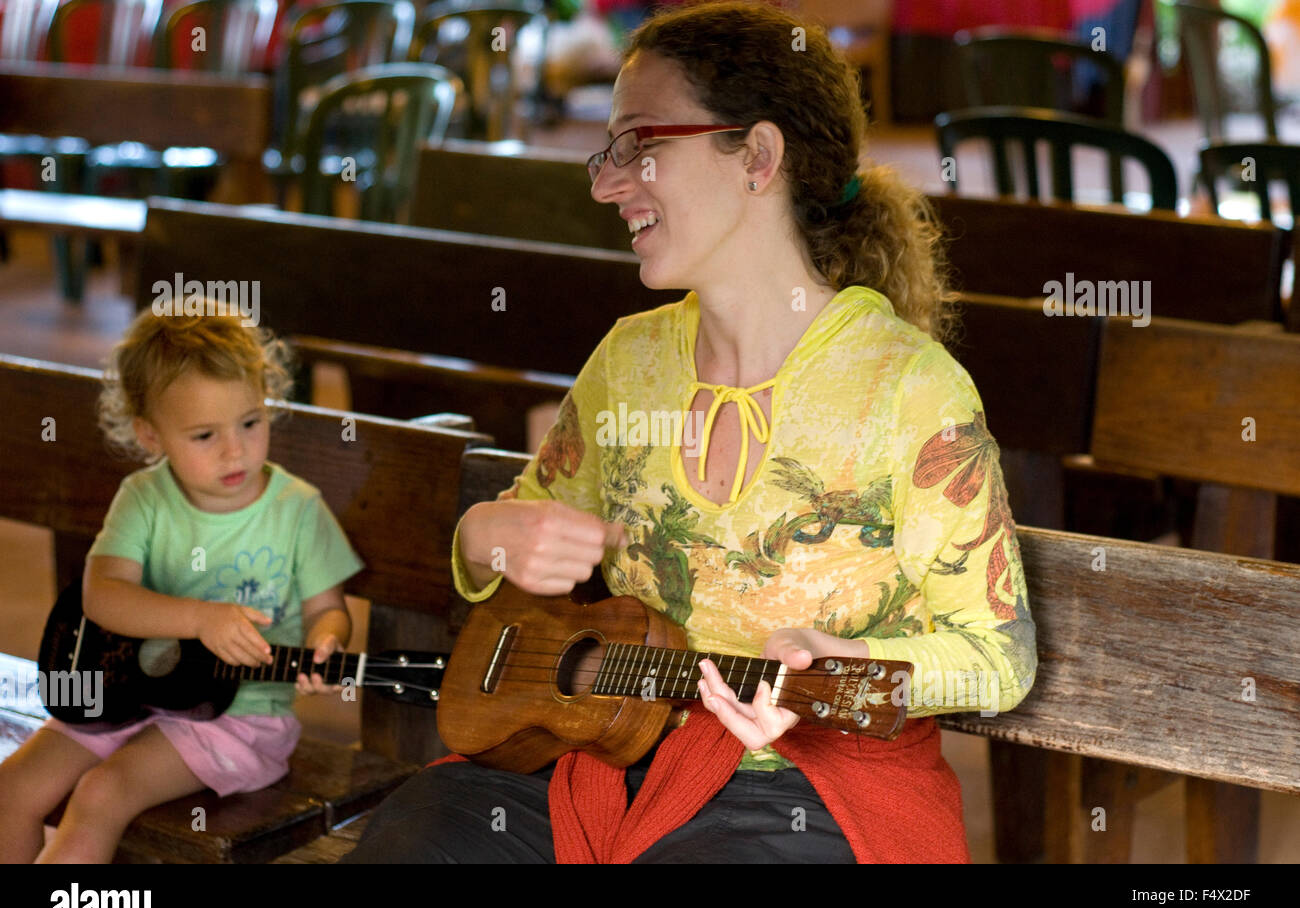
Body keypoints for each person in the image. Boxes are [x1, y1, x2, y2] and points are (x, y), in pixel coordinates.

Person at [344, 0, 1037, 864]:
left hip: (810, 789)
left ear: (757, 156)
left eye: (641, 146)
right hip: (605, 758)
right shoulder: (628, 360)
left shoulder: (906, 387)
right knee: (417, 837)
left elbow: (998, 658)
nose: (606, 182)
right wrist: (484, 537)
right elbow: (517, 557)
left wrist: (843, 663)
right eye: (609, 151)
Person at [0, 299, 364, 863]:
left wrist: (327, 641)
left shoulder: (296, 509)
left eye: (250, 421)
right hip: (122, 691)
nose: (235, 449)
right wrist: (199, 618)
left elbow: (327, 608)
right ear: (151, 436)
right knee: (12, 787)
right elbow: (102, 595)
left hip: (238, 719)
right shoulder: (144, 499)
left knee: (102, 791)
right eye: (204, 435)